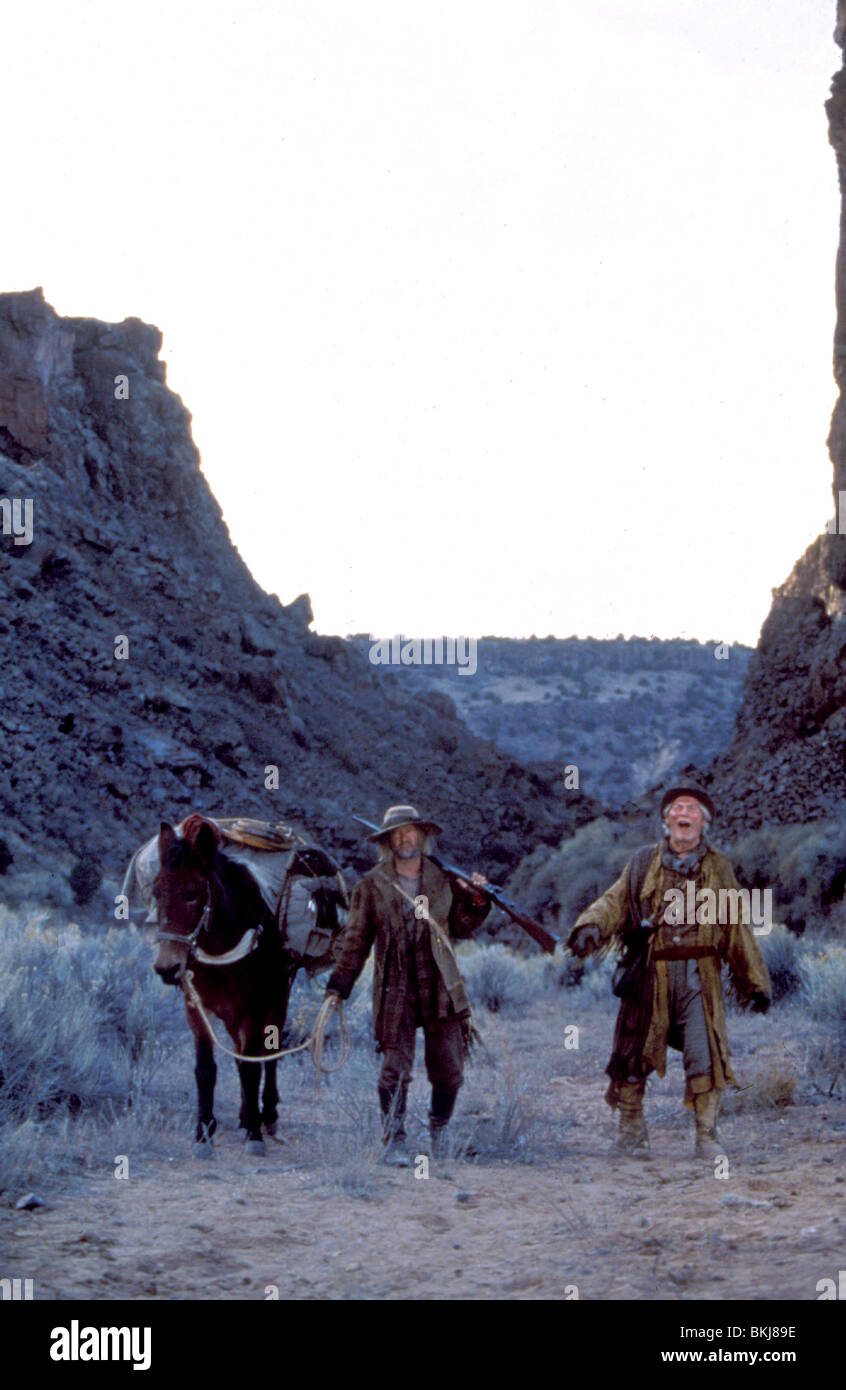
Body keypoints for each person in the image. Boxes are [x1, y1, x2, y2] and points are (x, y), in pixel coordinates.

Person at [567, 784, 772, 1159]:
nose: (685, 814)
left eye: (693, 809)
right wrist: (591, 927)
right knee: (630, 1051)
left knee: (705, 1053)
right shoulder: (643, 862)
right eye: (678, 808)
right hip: (650, 973)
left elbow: (736, 928)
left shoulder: (718, 867)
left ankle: (706, 1136)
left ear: (703, 822)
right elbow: (613, 901)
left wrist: (754, 980)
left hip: (700, 976)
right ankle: (632, 1133)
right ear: (666, 821)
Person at [325, 804, 490, 1165]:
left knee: (449, 1068)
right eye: (397, 833)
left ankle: (440, 1133)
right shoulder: (372, 885)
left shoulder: (444, 880)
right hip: (395, 987)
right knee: (394, 1068)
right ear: (388, 841)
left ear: (422, 836)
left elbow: (460, 927)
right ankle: (393, 1140)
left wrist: (477, 902)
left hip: (441, 985)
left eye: (410, 831)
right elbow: (356, 941)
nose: (405, 838)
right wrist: (340, 985)